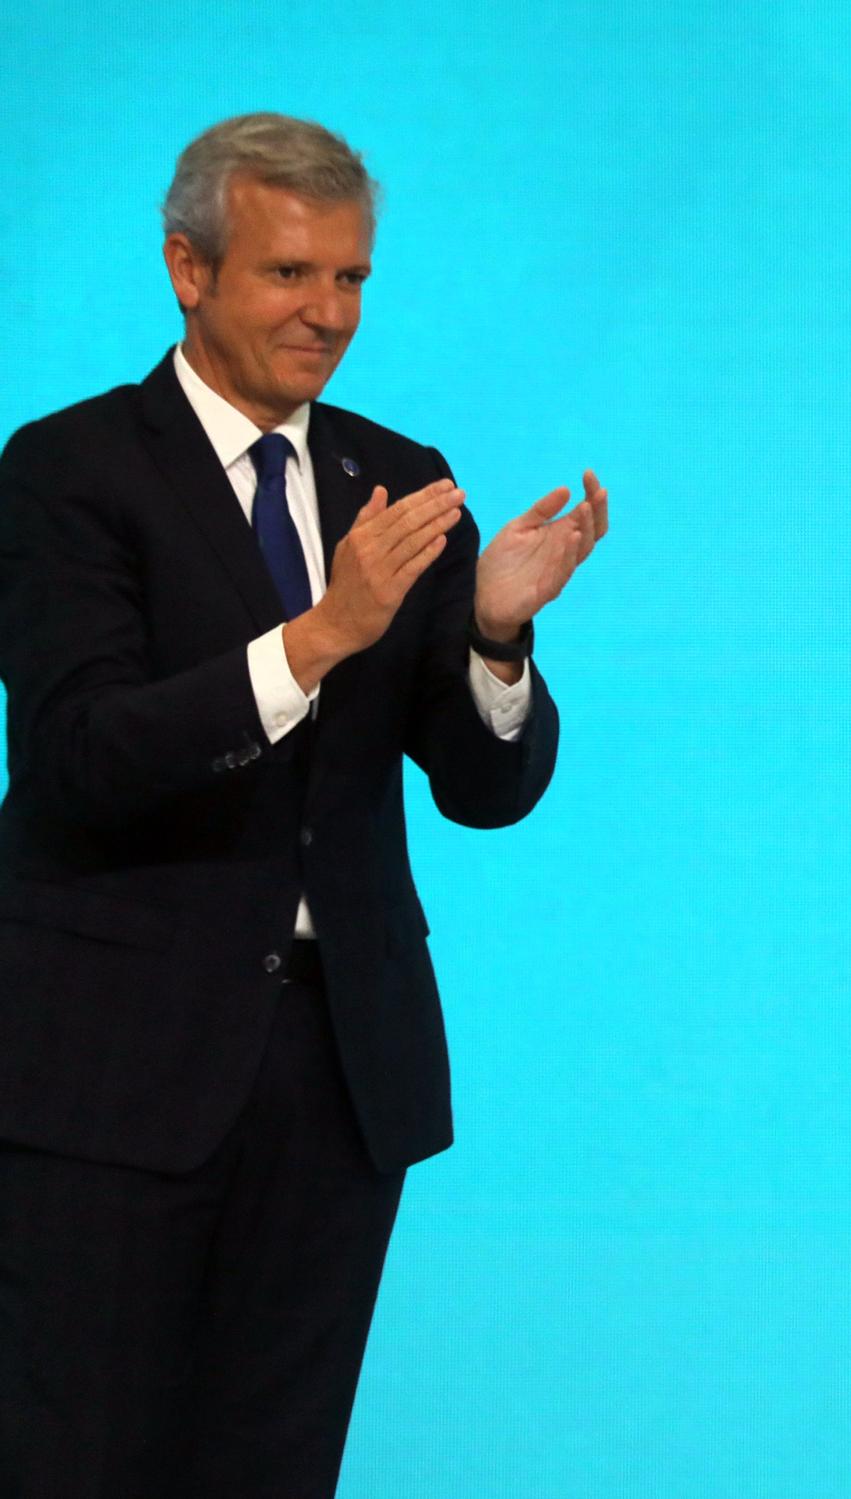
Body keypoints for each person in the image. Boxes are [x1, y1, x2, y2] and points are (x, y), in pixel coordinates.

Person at [0, 112, 607, 1498]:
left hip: (339, 1073)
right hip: (112, 1076)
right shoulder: (68, 471)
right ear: (189, 269)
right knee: (76, 1463)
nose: (326, 314)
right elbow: (81, 755)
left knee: (274, 1467)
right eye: (289, 275)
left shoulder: (392, 474)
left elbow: (485, 789)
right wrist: (319, 637)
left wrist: (496, 639)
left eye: (350, 280)